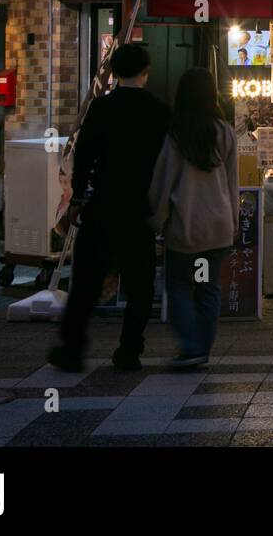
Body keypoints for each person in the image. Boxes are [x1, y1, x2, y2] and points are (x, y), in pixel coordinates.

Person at [49, 44, 170, 372]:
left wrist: (76, 201)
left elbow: (84, 156)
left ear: (113, 72)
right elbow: (166, 164)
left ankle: (72, 348)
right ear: (146, 71)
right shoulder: (159, 111)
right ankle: (129, 350)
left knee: (86, 280)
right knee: (140, 285)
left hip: (102, 206)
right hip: (139, 210)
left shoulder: (101, 108)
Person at [148, 68, 238, 368]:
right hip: (217, 228)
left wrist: (156, 220)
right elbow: (232, 182)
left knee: (179, 286)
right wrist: (234, 221)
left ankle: (190, 345)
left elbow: (163, 183)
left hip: (186, 228)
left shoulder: (176, 134)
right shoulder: (224, 131)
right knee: (208, 286)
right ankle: (202, 348)